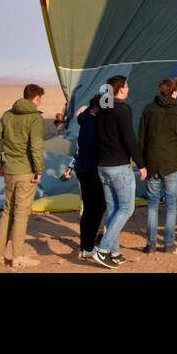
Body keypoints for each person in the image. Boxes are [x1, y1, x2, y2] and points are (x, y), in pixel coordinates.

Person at [0, 84, 46, 267]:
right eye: (40, 99)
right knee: (21, 213)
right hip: (26, 172)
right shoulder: (35, 118)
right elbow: (36, 146)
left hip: (10, 171)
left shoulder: (8, 115)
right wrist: (39, 170)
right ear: (36, 98)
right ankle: (18, 257)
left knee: (8, 212)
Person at [93, 75, 146, 268]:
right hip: (118, 166)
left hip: (103, 165)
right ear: (121, 89)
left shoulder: (102, 110)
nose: (129, 88)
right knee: (126, 208)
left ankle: (113, 253)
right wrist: (141, 163)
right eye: (127, 86)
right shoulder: (123, 110)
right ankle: (103, 250)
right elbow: (129, 138)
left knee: (114, 209)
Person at [138, 78, 177, 254]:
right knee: (171, 205)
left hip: (152, 163)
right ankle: (169, 244)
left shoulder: (149, 109)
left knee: (153, 205)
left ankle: (151, 244)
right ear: (174, 92)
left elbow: (141, 139)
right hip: (172, 163)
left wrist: (141, 163)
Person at [63, 95, 103, 259]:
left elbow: (79, 150)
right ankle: (88, 245)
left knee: (89, 209)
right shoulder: (94, 124)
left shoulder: (85, 123)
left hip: (83, 169)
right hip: (92, 170)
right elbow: (89, 149)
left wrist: (71, 167)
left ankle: (85, 245)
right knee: (96, 208)